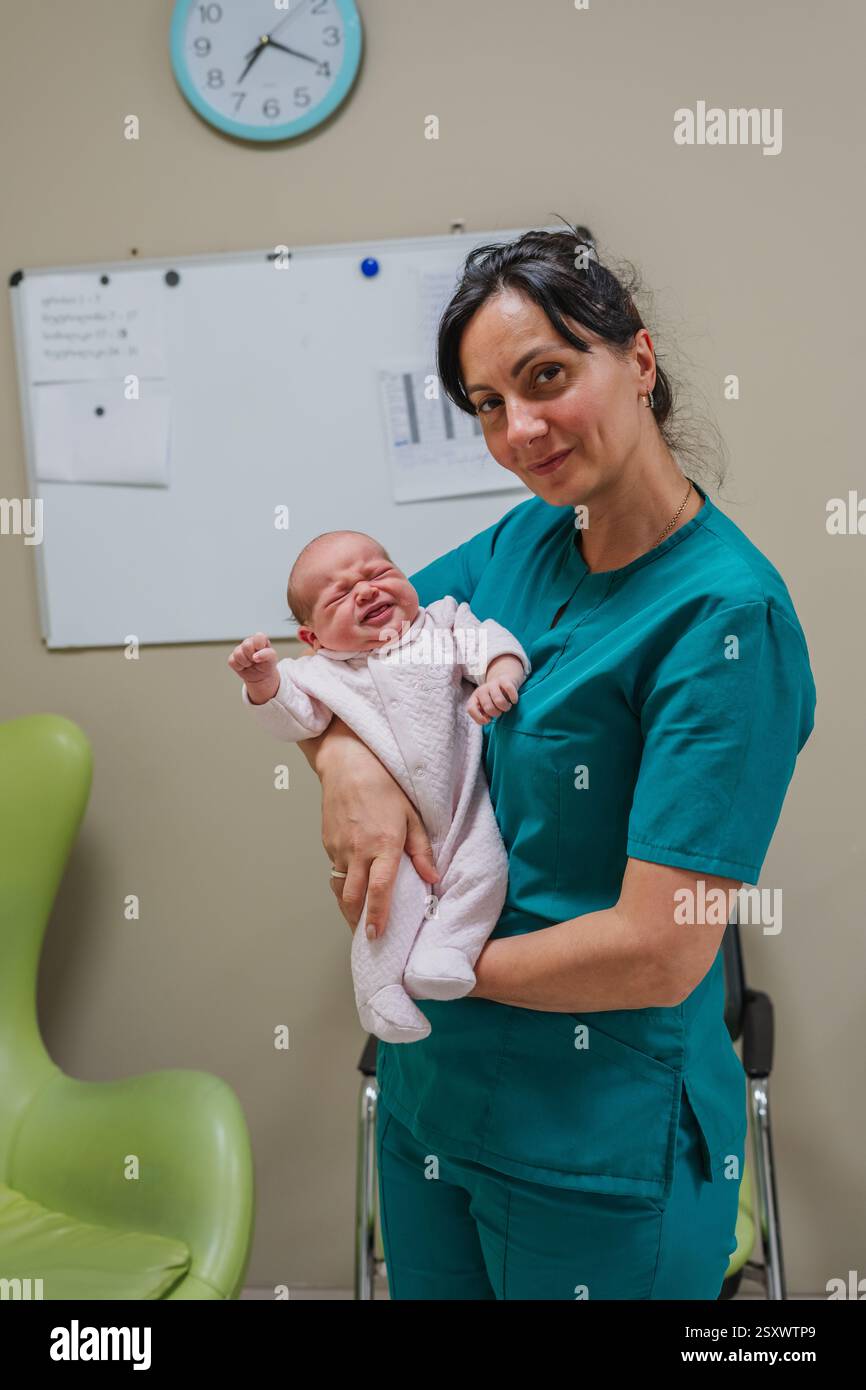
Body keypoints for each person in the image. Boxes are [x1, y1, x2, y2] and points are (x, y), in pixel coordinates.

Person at [294, 225, 817, 1300]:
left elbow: (654, 952)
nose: (518, 431)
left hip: (594, 1137)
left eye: (544, 377)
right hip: (430, 1100)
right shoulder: (520, 545)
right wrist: (345, 757)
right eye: (486, 405)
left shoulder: (725, 619)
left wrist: (428, 966)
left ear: (636, 359)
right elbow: (344, 650)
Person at [227, 529, 530, 1043]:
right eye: (341, 595)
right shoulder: (318, 673)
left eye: (378, 573)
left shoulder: (442, 622)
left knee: (484, 870)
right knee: (384, 899)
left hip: (463, 808)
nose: (366, 591)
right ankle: (379, 991)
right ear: (313, 638)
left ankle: (446, 950)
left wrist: (501, 675)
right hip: (391, 832)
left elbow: (490, 642)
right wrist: (263, 684)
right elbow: (293, 721)